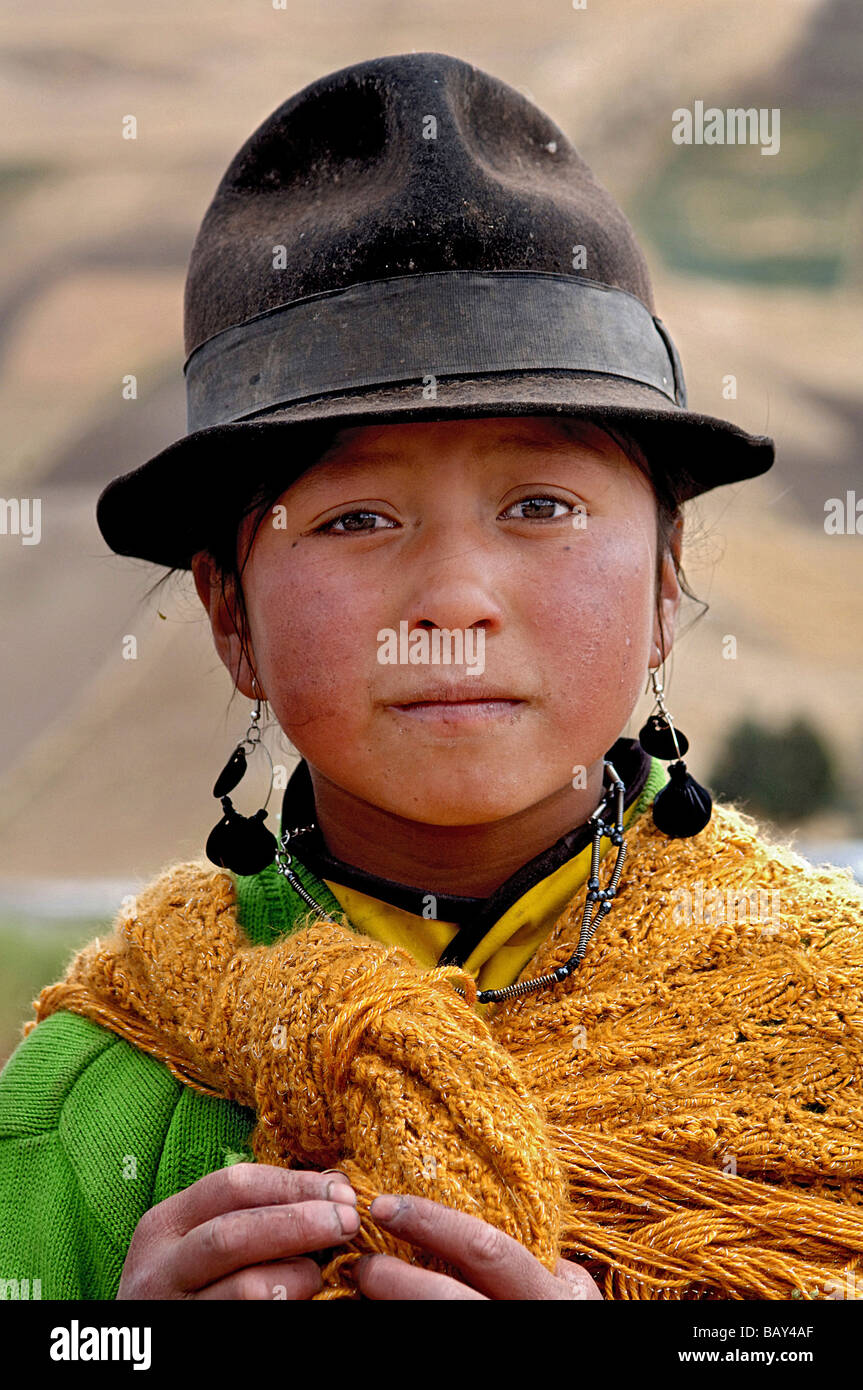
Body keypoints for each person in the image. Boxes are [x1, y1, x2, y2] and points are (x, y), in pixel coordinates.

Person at [2, 52, 862, 1303]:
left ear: (666, 579)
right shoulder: (87, 1097)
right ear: (228, 611)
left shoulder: (831, 1026)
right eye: (353, 519)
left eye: (540, 502)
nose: (453, 596)